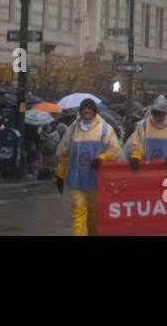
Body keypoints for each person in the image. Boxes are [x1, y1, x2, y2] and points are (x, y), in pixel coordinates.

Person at [55, 98, 123, 236]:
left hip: (97, 184)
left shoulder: (105, 129)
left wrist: (101, 158)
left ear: (94, 111)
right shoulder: (73, 130)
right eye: (84, 108)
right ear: (80, 111)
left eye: (89, 108)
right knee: (78, 216)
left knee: (94, 219)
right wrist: (60, 174)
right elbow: (64, 153)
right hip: (76, 182)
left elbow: (115, 152)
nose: (87, 110)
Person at [124, 95, 167, 166]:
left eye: (160, 114)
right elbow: (136, 143)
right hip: (147, 169)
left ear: (165, 113)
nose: (158, 117)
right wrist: (136, 156)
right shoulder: (144, 125)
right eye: (155, 113)